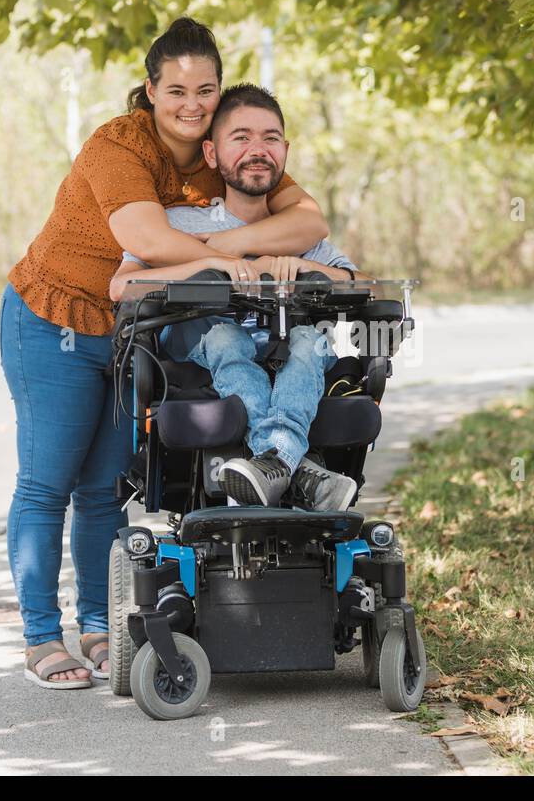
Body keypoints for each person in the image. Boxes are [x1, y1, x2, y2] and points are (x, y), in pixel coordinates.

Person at [1, 19, 331, 689]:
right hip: (56, 316)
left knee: (104, 489)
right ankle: (41, 637)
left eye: (205, 89)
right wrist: (244, 257)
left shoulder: (219, 149)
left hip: (139, 328)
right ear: (149, 91)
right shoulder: (117, 145)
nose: (192, 102)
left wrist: (252, 253)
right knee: (48, 482)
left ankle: (96, 627)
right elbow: (147, 238)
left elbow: (309, 221)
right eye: (175, 88)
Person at [111, 84, 369, 510]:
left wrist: (301, 267)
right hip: (206, 358)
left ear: (285, 152)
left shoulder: (298, 234)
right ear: (211, 154)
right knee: (226, 337)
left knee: (311, 341)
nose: (258, 149)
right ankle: (295, 465)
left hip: (289, 355)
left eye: (270, 138)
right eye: (241, 137)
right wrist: (214, 263)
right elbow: (123, 286)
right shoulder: (182, 223)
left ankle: (275, 463)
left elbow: (367, 284)